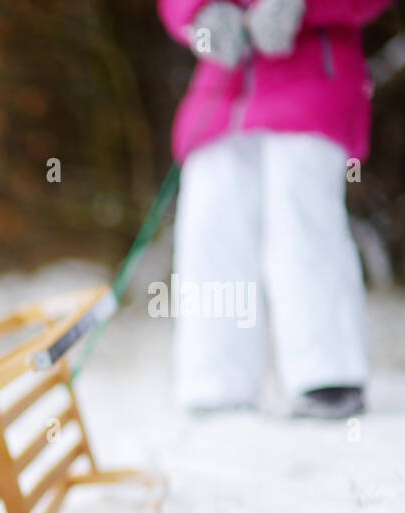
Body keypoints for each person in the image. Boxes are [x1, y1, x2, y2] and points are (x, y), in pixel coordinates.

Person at [159, 0, 390, 418]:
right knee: (211, 220)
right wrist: (197, 14)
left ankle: (326, 373)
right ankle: (216, 379)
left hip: (314, 77)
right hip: (222, 93)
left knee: (298, 215)